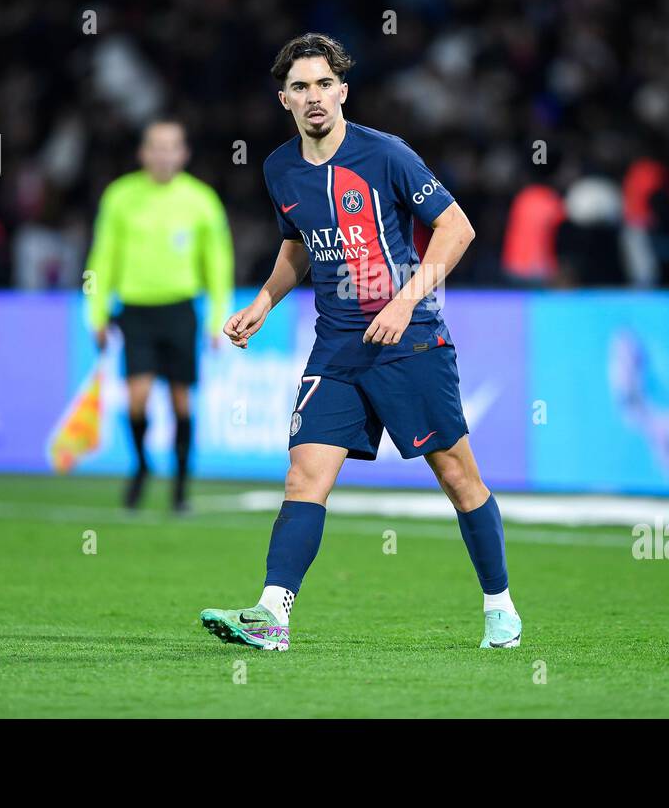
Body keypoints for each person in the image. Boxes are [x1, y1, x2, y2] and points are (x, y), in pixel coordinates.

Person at [199, 33, 521, 652]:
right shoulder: (278, 169)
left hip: (410, 342)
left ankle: (500, 606)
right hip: (337, 347)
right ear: (283, 100)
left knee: (458, 477)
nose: (314, 97)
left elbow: (457, 228)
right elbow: (297, 246)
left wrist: (406, 301)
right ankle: (272, 616)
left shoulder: (387, 155)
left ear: (343, 91)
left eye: (324, 84)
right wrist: (265, 301)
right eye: (300, 87)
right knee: (303, 477)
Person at [84, 120, 233, 511]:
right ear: (143, 152)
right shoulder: (120, 196)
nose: (163, 154)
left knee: (181, 401)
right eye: (156, 146)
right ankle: (142, 466)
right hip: (135, 310)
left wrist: (219, 316)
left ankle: (181, 484)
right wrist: (96, 312)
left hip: (180, 309)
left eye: (172, 146)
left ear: (183, 153)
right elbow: (102, 257)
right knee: (137, 399)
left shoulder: (201, 200)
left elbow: (218, 264)